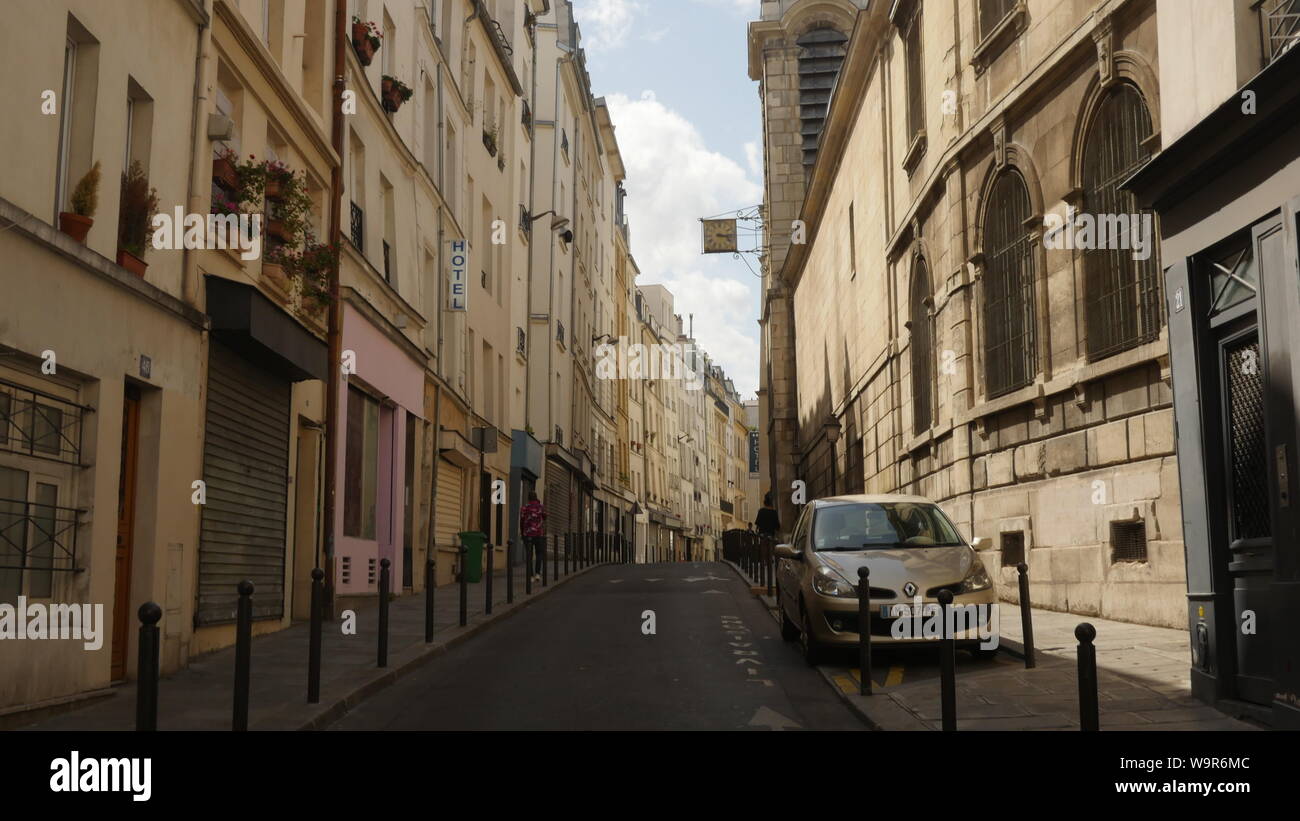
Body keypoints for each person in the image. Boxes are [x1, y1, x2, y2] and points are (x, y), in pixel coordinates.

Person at [520, 491, 546, 582]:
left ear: (528, 498)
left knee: (529, 555)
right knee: (539, 554)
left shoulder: (524, 508)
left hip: (528, 535)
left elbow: (522, 521)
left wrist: (522, 533)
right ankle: (538, 574)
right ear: (536, 498)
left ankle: (531, 576)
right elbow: (545, 516)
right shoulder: (541, 507)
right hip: (538, 534)